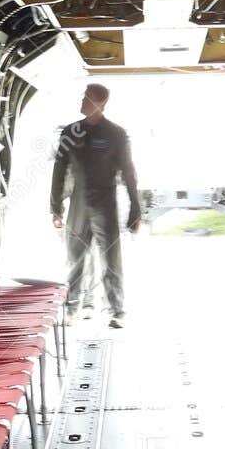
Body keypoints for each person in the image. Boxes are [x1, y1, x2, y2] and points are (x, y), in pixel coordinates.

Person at [50, 82, 140, 328]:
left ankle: (116, 311)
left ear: (98, 103)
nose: (81, 101)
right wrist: (55, 206)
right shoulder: (70, 132)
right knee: (75, 257)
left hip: (105, 202)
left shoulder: (116, 134)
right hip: (79, 202)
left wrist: (135, 210)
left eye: (86, 98)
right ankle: (74, 307)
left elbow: (129, 173)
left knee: (110, 258)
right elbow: (59, 170)